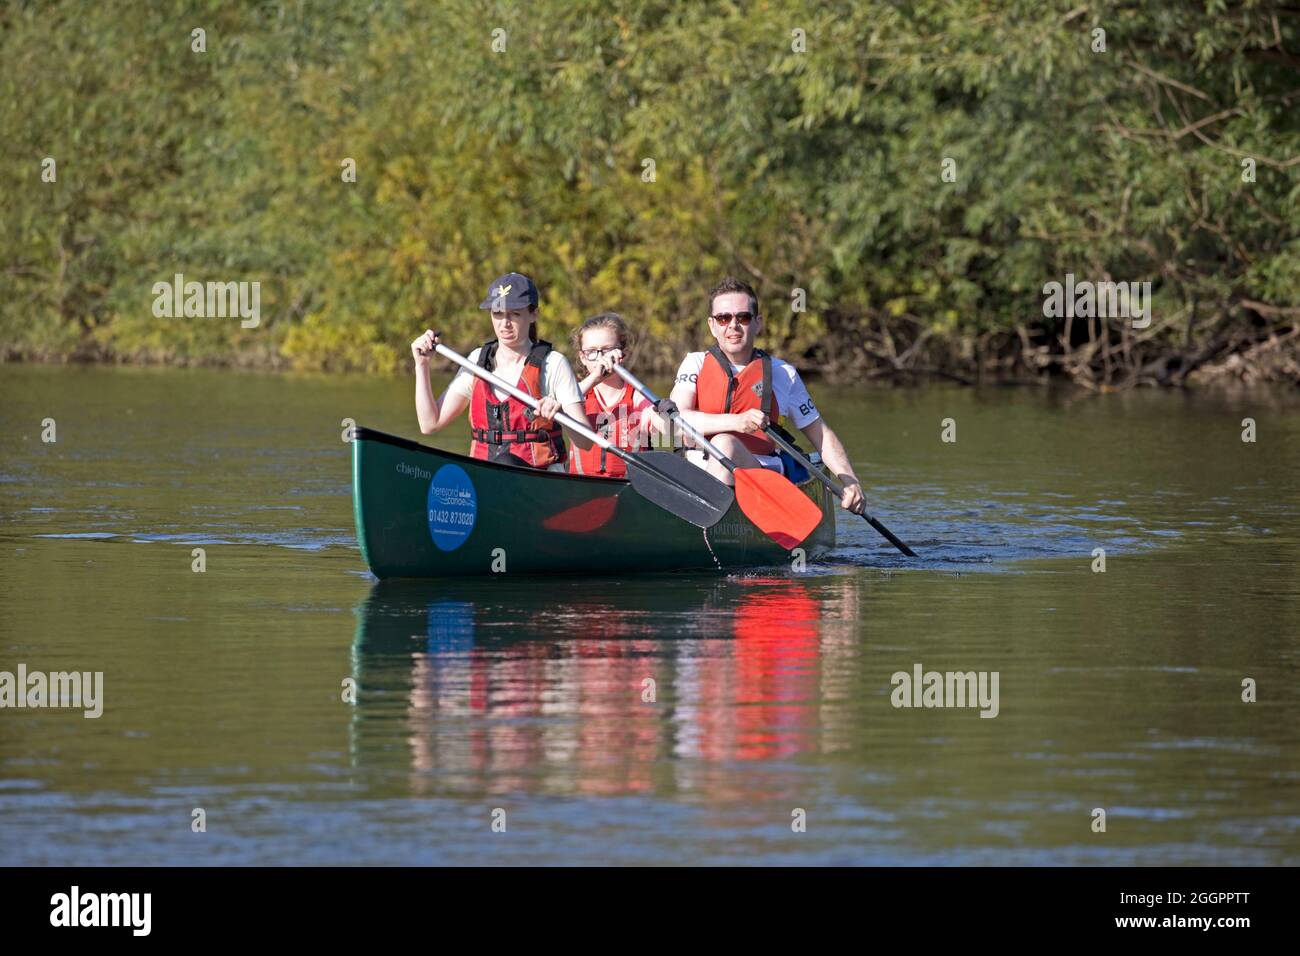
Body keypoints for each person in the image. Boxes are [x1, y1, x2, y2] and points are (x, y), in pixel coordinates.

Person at [668, 276, 866, 514]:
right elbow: (676, 421)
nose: (733, 325)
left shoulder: (783, 374)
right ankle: (704, 513)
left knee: (724, 443)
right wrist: (737, 421)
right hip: (699, 471)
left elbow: (821, 435)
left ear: (757, 323)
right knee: (662, 422)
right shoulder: (695, 363)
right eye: (723, 318)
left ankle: (708, 521)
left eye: (743, 317)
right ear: (712, 325)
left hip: (762, 474)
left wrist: (850, 481)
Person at [411, 272, 591, 469]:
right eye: (497, 314)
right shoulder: (476, 362)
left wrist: (561, 413)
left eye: (514, 314)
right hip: (486, 479)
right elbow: (430, 424)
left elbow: (585, 442)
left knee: (506, 462)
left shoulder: (554, 364)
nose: (504, 323)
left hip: (538, 481)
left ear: (533, 315)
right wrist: (422, 365)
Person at [567, 312, 665, 478]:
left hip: (627, 491)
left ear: (622, 354)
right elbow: (553, 405)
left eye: (607, 350)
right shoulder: (577, 396)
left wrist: (663, 416)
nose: (600, 358)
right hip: (582, 489)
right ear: (582, 357)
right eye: (591, 351)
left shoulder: (637, 398)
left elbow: (669, 430)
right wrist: (595, 378)